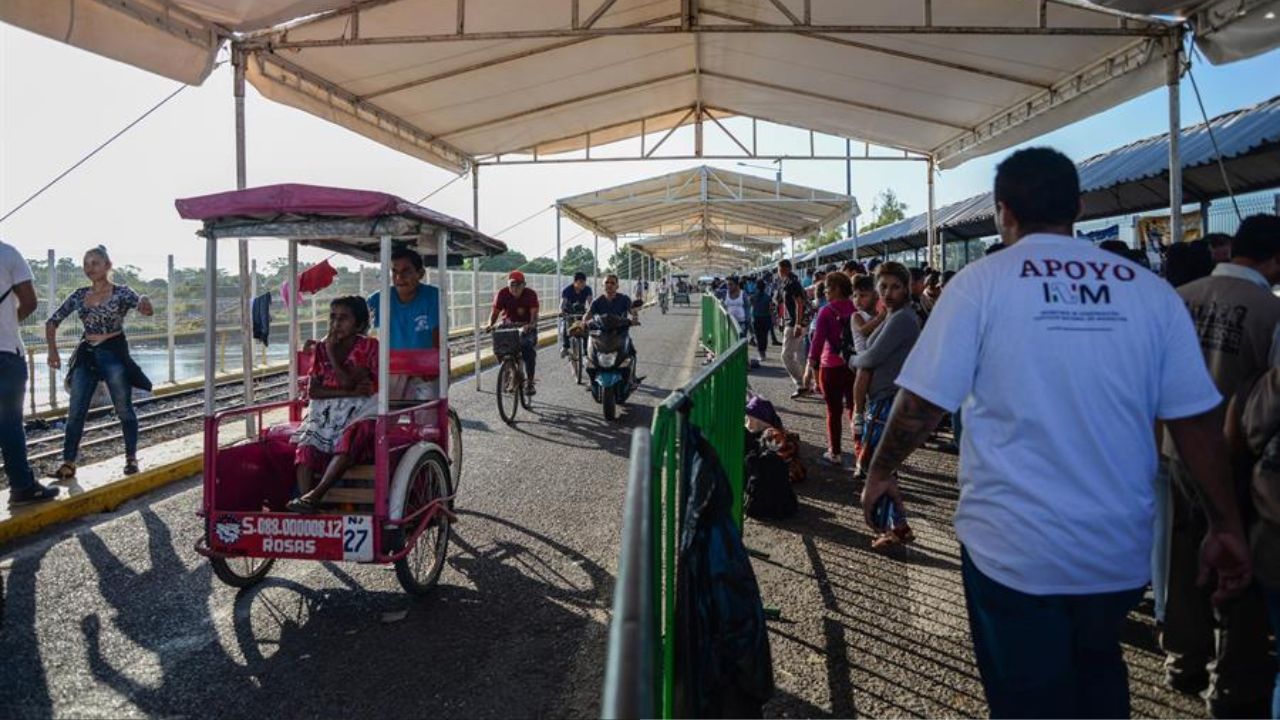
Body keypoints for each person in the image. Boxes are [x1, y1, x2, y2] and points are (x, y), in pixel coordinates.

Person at [859, 147, 1251, 719]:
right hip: (1114, 551)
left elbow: (922, 402)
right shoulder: (1147, 292)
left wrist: (881, 472)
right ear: (1079, 207)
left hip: (1011, 551)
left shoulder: (980, 285)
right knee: (1098, 672)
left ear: (1002, 212)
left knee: (1028, 697)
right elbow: (1195, 423)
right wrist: (1225, 523)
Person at [1160, 214, 1280, 718]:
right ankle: (1230, 682)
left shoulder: (1180, 298)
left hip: (1173, 447)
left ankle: (1182, 658)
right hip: (1235, 458)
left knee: (1183, 554)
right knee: (1237, 571)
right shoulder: (1269, 312)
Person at [46, 245, 155, 479]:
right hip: (87, 355)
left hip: (113, 353)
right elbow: (52, 321)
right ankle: (68, 462)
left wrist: (144, 299)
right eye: (86, 264)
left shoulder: (122, 292)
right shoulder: (78, 294)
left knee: (123, 408)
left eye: (95, 263)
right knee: (76, 410)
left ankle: (131, 458)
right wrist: (53, 352)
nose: (89, 268)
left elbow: (145, 310)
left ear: (108, 265)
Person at [287, 297, 378, 513]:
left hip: (362, 408)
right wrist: (345, 390)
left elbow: (347, 381)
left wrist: (330, 353)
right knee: (307, 443)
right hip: (326, 409)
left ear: (358, 323)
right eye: (333, 317)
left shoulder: (369, 346)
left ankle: (314, 496)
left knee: (352, 435)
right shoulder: (319, 348)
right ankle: (306, 502)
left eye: (344, 318)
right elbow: (313, 391)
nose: (336, 323)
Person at [847, 261, 919, 498]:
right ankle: (893, 525)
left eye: (895, 287)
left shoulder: (902, 319)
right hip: (881, 397)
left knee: (876, 465)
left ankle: (894, 525)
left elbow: (872, 356)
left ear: (906, 289)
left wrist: (852, 361)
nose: (888, 293)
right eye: (883, 286)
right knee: (878, 465)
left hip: (889, 398)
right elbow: (868, 345)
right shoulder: (892, 314)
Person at [0, 237, 59, 506]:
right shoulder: (9, 253)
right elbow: (30, 302)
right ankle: (22, 486)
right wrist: (11, 323)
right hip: (6, 353)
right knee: (10, 423)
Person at [367, 247, 440, 401]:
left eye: (406, 271)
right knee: (382, 413)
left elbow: (438, 335)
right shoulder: (378, 300)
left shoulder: (433, 296)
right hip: (392, 368)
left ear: (420, 274)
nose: (399, 277)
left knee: (426, 414)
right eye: (395, 272)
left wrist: (434, 365)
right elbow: (356, 328)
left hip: (424, 367)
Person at [804, 271, 856, 466]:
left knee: (833, 411)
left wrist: (810, 367)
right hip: (853, 366)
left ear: (836, 289)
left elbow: (817, 342)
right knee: (855, 408)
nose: (825, 292)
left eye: (827, 288)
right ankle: (861, 449)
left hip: (830, 367)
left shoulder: (826, 312)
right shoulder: (855, 308)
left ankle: (835, 452)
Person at [485, 270, 540, 396]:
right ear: (508, 284)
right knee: (499, 347)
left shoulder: (531, 294)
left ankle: (530, 382)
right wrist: (490, 325)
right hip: (508, 325)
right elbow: (495, 313)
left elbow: (534, 315)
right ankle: (509, 368)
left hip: (526, 326)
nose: (515, 288)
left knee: (527, 349)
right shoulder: (502, 293)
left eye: (518, 285)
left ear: (524, 285)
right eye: (512, 285)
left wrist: (531, 325)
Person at [584, 274, 641, 380]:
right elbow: (588, 315)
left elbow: (632, 311)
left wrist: (635, 317)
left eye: (612, 283)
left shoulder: (624, 299)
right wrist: (584, 322)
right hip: (601, 335)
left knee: (632, 352)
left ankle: (632, 376)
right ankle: (592, 380)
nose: (609, 285)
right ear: (603, 285)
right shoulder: (597, 301)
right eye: (607, 283)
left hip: (620, 333)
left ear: (617, 286)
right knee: (590, 356)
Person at [776, 260, 810, 399]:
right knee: (800, 355)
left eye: (778, 269)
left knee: (786, 356)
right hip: (797, 322)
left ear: (783, 269)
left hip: (795, 324)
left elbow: (799, 304)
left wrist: (797, 324)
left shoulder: (792, 283)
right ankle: (807, 382)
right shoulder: (789, 282)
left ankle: (801, 384)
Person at [559, 271, 593, 357]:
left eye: (584, 282)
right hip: (569, 312)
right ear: (575, 282)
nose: (583, 284)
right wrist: (561, 312)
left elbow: (590, 303)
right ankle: (565, 347)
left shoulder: (587, 289)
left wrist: (591, 312)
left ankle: (586, 352)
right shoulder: (567, 290)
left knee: (586, 328)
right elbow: (562, 304)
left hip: (581, 312)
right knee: (565, 326)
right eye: (580, 282)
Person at [749, 275, 775, 364]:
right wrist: (773, 319)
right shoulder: (768, 297)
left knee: (758, 337)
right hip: (766, 318)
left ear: (756, 287)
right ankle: (763, 353)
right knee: (764, 336)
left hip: (756, 318)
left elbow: (751, 306)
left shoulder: (753, 297)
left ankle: (761, 354)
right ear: (764, 287)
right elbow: (771, 309)